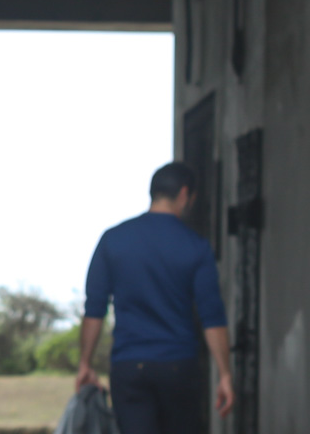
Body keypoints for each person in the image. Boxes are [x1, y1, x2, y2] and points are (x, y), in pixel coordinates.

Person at [75, 162, 233, 434]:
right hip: (178, 365)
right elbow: (212, 316)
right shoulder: (196, 246)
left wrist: (85, 363)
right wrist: (225, 374)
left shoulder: (112, 239)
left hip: (129, 367)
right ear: (185, 194)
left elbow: (94, 310)